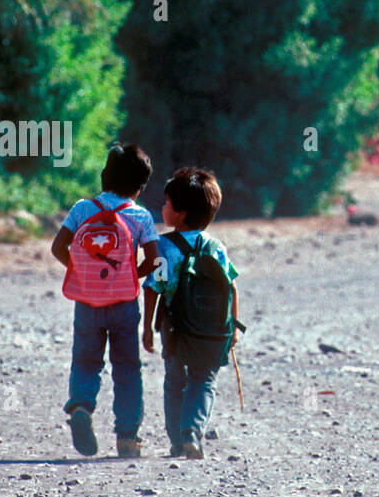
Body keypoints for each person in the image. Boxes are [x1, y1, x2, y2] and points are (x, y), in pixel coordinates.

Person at [50, 143, 160, 458]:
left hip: (86, 302)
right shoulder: (141, 215)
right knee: (127, 367)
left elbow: (59, 247)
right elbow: (153, 260)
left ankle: (82, 407)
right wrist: (128, 275)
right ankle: (127, 437)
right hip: (124, 304)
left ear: (103, 177)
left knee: (86, 361)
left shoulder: (82, 208)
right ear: (140, 187)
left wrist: (83, 272)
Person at [141, 167, 240, 459]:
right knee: (204, 380)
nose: (163, 208)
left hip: (175, 327)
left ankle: (176, 440)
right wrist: (232, 327)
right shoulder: (216, 246)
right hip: (211, 330)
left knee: (175, 380)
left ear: (180, 213)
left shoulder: (163, 247)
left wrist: (147, 327)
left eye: (167, 203)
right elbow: (231, 287)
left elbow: (152, 289)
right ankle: (192, 433)